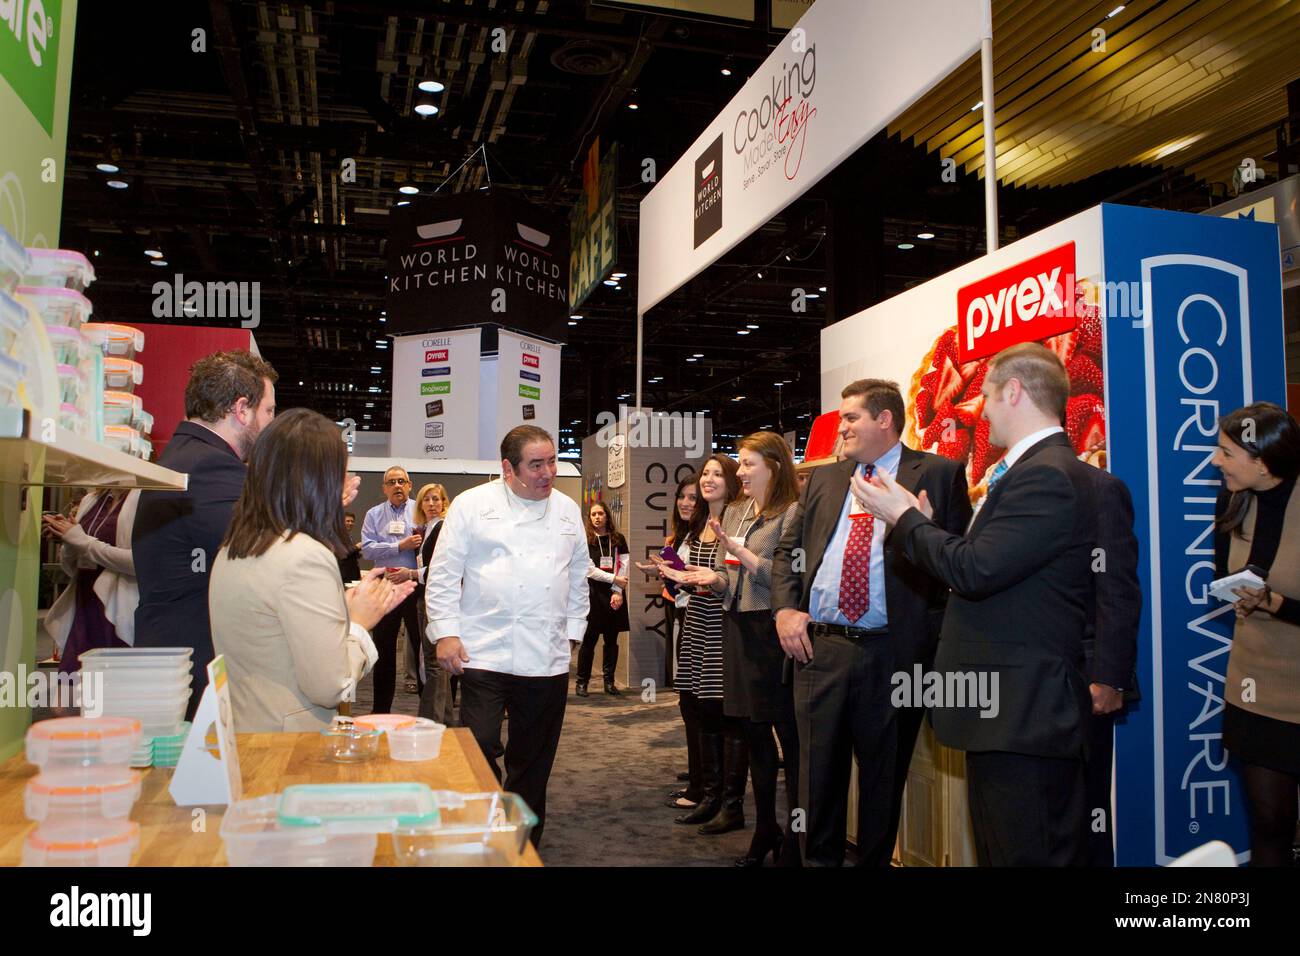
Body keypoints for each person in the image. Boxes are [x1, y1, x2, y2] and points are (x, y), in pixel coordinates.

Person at [854, 343, 1096, 866]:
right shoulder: (1033, 472)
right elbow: (977, 562)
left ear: (1013, 392)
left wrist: (905, 519)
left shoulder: (1046, 476)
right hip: (1012, 712)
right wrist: (915, 526)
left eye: (986, 394)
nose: (981, 408)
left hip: (1025, 713)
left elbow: (974, 569)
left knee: (1025, 850)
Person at [773, 379, 971, 867]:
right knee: (817, 785)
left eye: (850, 417)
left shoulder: (940, 475)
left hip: (896, 655)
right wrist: (784, 608)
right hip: (820, 651)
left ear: (885, 420)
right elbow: (787, 552)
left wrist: (918, 528)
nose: (840, 427)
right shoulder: (824, 479)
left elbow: (959, 563)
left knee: (883, 784)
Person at [426, 425, 590, 847]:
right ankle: (485, 827)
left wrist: (573, 632)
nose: (547, 473)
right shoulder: (470, 505)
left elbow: (578, 576)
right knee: (479, 745)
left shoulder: (569, 510)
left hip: (546, 657)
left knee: (532, 761)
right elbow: (444, 573)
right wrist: (444, 632)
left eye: (552, 461)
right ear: (507, 468)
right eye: (536, 465)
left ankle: (522, 846)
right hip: (483, 652)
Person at [209, 409, 414, 733]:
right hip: (289, 745)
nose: (346, 484)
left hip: (246, 731)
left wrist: (339, 610)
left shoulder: (235, 546)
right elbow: (331, 684)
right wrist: (359, 623)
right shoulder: (304, 558)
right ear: (319, 479)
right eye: (340, 473)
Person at [669, 432, 802, 866]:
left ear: (774, 466)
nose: (739, 472)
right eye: (739, 464)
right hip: (738, 627)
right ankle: (765, 829)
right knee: (753, 736)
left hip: (773, 632)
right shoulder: (741, 511)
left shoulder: (792, 512)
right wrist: (711, 580)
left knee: (790, 744)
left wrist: (740, 555)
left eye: (747, 464)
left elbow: (785, 576)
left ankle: (796, 841)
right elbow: (734, 580)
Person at [133, 350, 279, 718]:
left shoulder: (184, 455)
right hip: (193, 660)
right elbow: (266, 553)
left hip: (171, 652)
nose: (270, 424)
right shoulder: (213, 465)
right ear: (241, 409)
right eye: (269, 411)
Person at [1212, 402, 1300, 867]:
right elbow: (1220, 572)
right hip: (1253, 689)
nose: (1215, 461)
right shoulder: (1232, 499)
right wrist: (1241, 596)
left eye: (1226, 452)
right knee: (1269, 822)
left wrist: (1278, 604)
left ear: (1262, 461)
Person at [641, 455, 746, 833]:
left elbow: (735, 577)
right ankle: (710, 795)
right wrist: (670, 572)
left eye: (718, 474)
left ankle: (729, 804)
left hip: (723, 624)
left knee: (723, 712)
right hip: (697, 621)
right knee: (699, 707)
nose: (708, 479)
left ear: (732, 481)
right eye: (706, 473)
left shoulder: (738, 521)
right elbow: (697, 575)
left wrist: (706, 580)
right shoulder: (700, 524)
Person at [1078, 465, 1142, 867]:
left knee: (1088, 812)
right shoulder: (1002, 482)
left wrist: (1109, 677)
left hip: (1082, 680)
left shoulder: (1099, 489)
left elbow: (1116, 589)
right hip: (1017, 685)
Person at [43, 489, 141, 672]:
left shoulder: (142, 497)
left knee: (113, 685)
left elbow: (142, 564)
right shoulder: (92, 499)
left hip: (118, 609)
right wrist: (67, 537)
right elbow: (71, 566)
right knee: (72, 685)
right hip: (84, 603)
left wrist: (84, 542)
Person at [360, 466, 424, 713]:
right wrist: (400, 546)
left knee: (420, 651)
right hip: (386, 587)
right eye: (392, 482)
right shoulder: (374, 514)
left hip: (414, 586)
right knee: (384, 652)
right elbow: (368, 550)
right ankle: (380, 711)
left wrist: (398, 547)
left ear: (410, 485)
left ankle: (426, 710)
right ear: (384, 488)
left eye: (402, 481)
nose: (397, 486)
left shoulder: (420, 510)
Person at [663, 474, 700, 808]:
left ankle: (703, 786)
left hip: (703, 621)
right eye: (683, 497)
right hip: (683, 614)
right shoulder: (683, 535)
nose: (687, 503)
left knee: (699, 705)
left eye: (694, 497)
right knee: (688, 702)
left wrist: (680, 574)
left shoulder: (707, 533)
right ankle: (698, 778)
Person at [576, 501, 630, 697]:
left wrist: (617, 590)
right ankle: (582, 682)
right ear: (589, 519)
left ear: (607, 515)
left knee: (611, 640)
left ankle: (609, 682)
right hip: (592, 594)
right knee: (589, 640)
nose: (597, 517)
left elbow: (624, 565)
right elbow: (589, 570)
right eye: (593, 515)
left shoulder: (618, 538)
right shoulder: (586, 540)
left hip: (615, 594)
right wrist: (614, 579)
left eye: (600, 513)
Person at [413, 482, 454, 725]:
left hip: (435, 600)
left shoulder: (442, 528)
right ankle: (445, 722)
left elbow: (440, 570)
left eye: (436, 499)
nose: (431, 504)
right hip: (424, 597)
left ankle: (429, 722)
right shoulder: (426, 529)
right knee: (434, 662)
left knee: (435, 664)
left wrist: (410, 574)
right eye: (426, 500)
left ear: (444, 502)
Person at [337, 512, 362, 582]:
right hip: (344, 575)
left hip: (352, 574)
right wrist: (357, 547)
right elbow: (342, 552)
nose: (350, 523)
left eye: (352, 521)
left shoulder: (349, 537)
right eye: (348, 521)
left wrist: (358, 553)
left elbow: (350, 554)